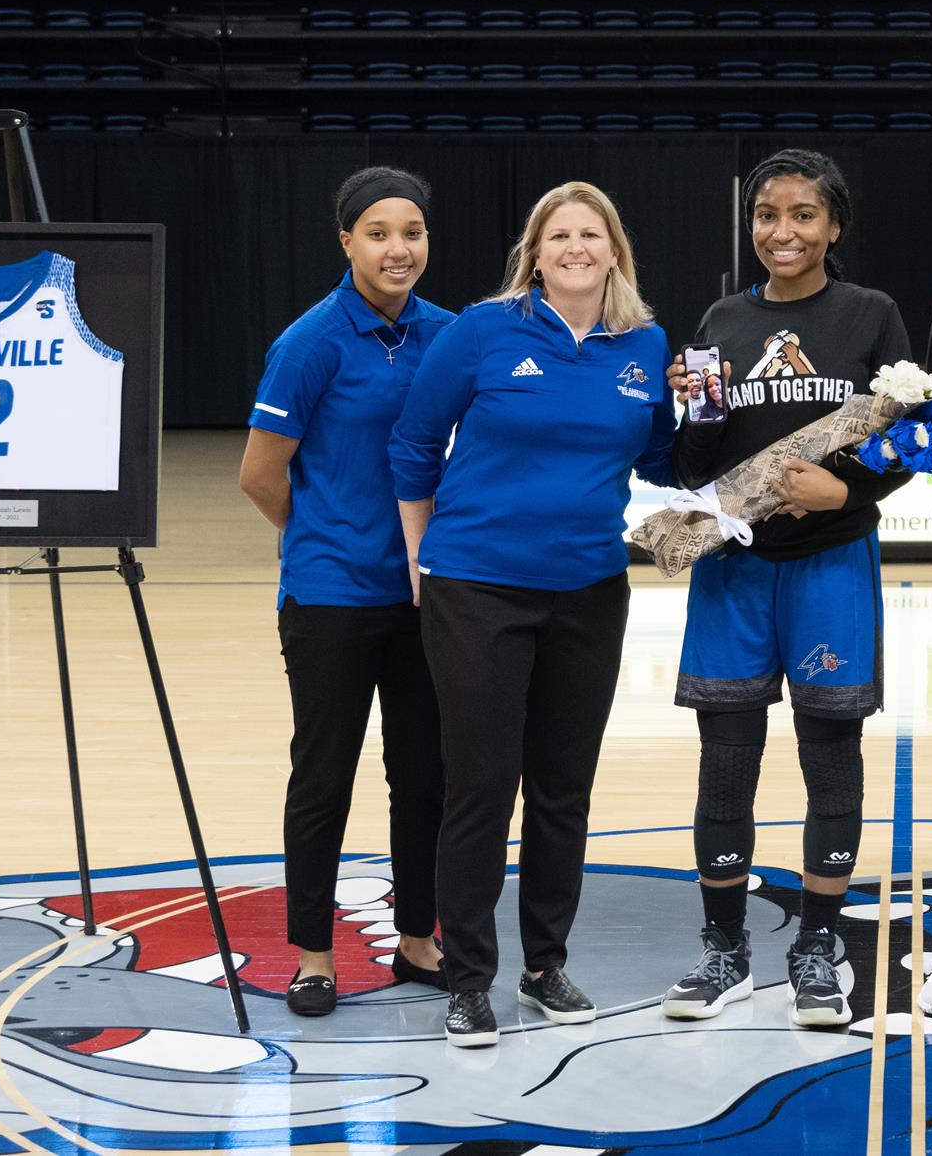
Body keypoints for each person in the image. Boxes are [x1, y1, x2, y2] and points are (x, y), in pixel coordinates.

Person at [388, 181, 677, 1048]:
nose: (576, 248)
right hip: (475, 586)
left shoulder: (646, 343)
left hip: (589, 590)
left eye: (592, 234)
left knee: (564, 790)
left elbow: (663, 452)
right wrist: (418, 557)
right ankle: (466, 979)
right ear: (536, 251)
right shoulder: (482, 330)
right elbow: (411, 443)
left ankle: (544, 965)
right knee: (481, 786)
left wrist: (707, 407)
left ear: (614, 250)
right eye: (560, 236)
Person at [656, 148, 913, 1029]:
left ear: (834, 226)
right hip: (733, 569)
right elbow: (695, 464)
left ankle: (817, 943)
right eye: (768, 214)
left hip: (832, 563)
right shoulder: (722, 318)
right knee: (726, 760)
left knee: (827, 756)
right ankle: (724, 948)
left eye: (804, 214)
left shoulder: (871, 316)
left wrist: (848, 491)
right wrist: (688, 410)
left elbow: (906, 441)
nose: (784, 231)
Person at [239, 166, 452, 1017]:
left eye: (412, 232)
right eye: (378, 232)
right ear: (346, 241)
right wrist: (327, 532)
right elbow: (260, 475)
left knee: (424, 775)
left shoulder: (449, 334)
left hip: (426, 598)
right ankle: (315, 955)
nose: (397, 249)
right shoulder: (311, 341)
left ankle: (418, 938)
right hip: (331, 596)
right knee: (323, 775)